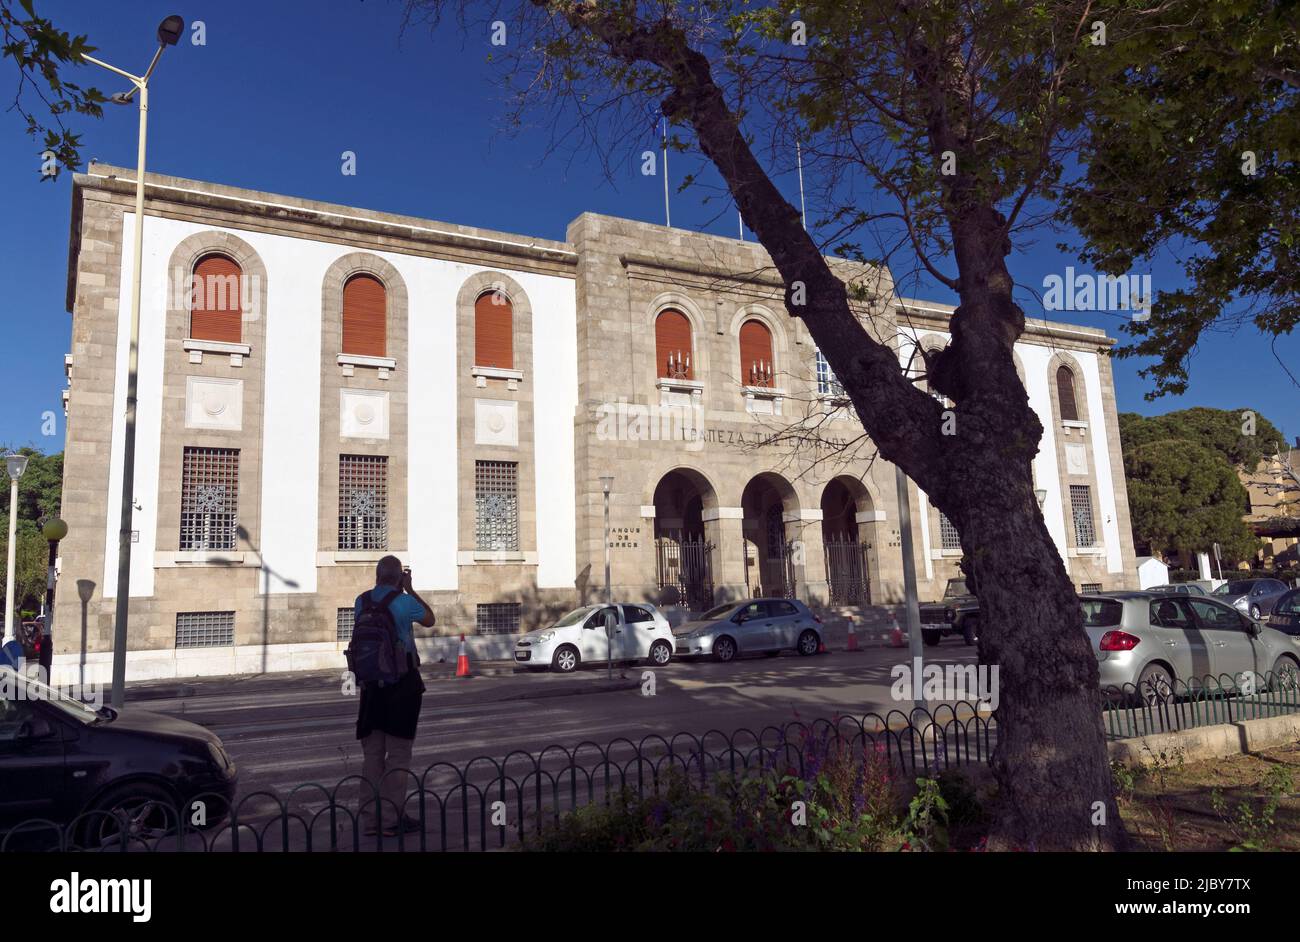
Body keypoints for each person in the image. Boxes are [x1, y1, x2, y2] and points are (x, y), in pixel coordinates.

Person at [355, 555, 435, 837]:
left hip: (370, 686)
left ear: (377, 575)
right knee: (398, 755)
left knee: (372, 755)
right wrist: (409, 589)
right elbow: (429, 619)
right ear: (399, 577)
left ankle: (370, 820)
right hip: (402, 685)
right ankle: (390, 819)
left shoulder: (361, 600)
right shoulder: (404, 601)